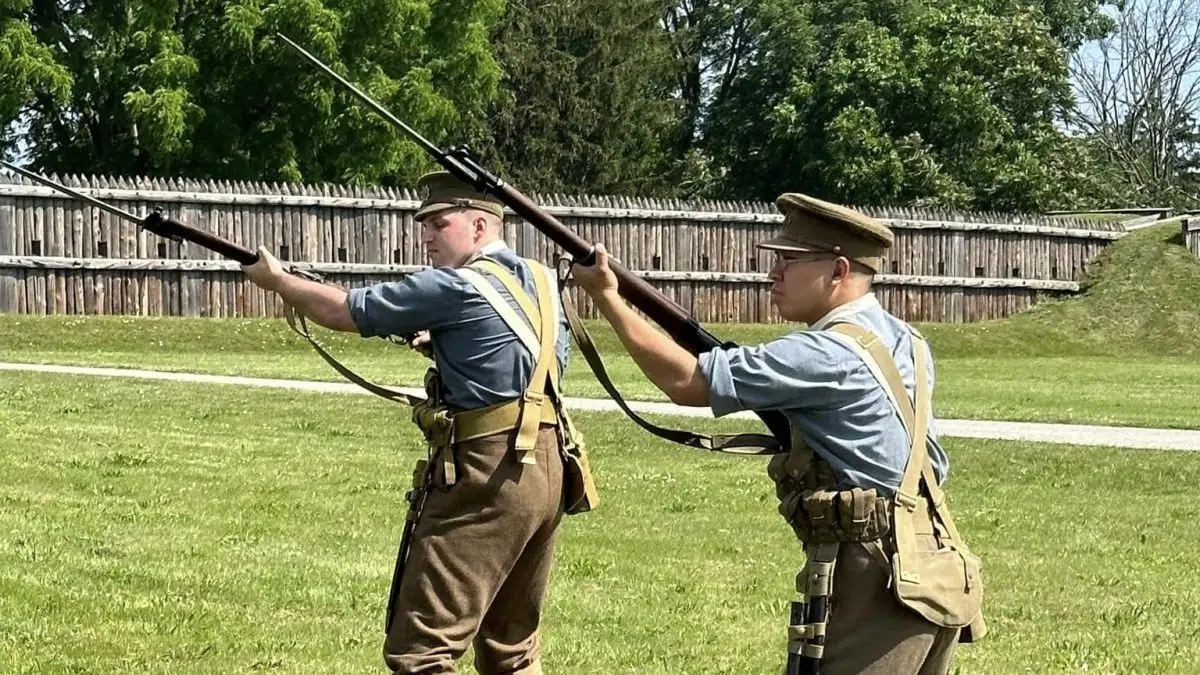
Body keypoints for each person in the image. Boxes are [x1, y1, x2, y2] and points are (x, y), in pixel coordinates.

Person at [569, 192, 984, 674]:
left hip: (873, 574)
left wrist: (607, 298)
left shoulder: (824, 353)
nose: (774, 273)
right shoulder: (908, 341)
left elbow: (686, 383)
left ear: (838, 270)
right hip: (930, 560)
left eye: (789, 261)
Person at [242, 171, 599, 675]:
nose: (425, 235)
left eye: (438, 223)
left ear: (479, 226)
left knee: (422, 651)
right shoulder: (541, 281)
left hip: (486, 472)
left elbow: (346, 311)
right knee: (511, 652)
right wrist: (449, 346)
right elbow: (528, 361)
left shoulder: (455, 286)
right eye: (424, 224)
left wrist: (278, 280)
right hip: (550, 467)